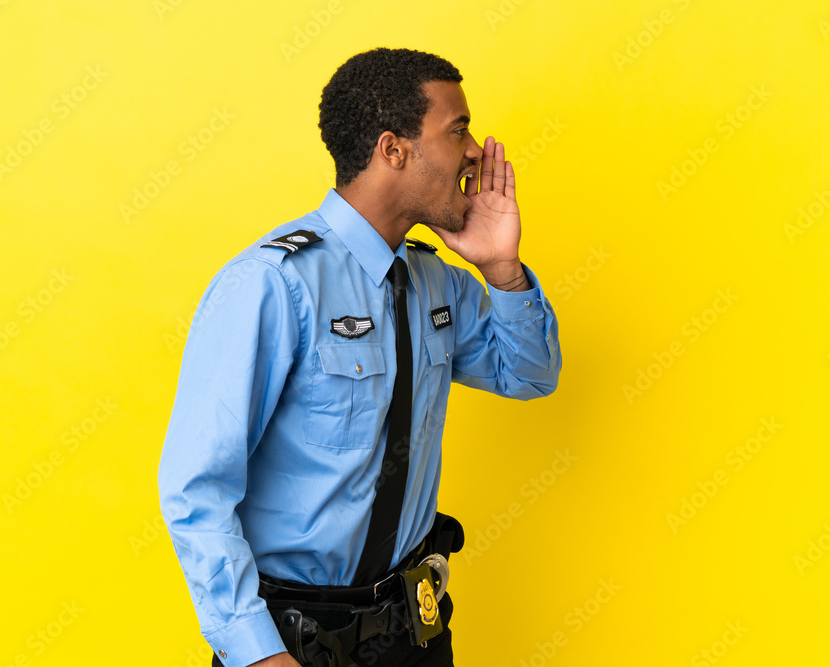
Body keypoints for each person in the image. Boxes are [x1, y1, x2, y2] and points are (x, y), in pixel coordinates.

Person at [158, 47, 562, 667]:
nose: (476, 152)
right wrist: (256, 653)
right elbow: (198, 488)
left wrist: (503, 272)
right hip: (293, 645)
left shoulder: (438, 282)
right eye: (457, 130)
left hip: (416, 634)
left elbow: (529, 376)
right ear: (393, 149)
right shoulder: (274, 284)